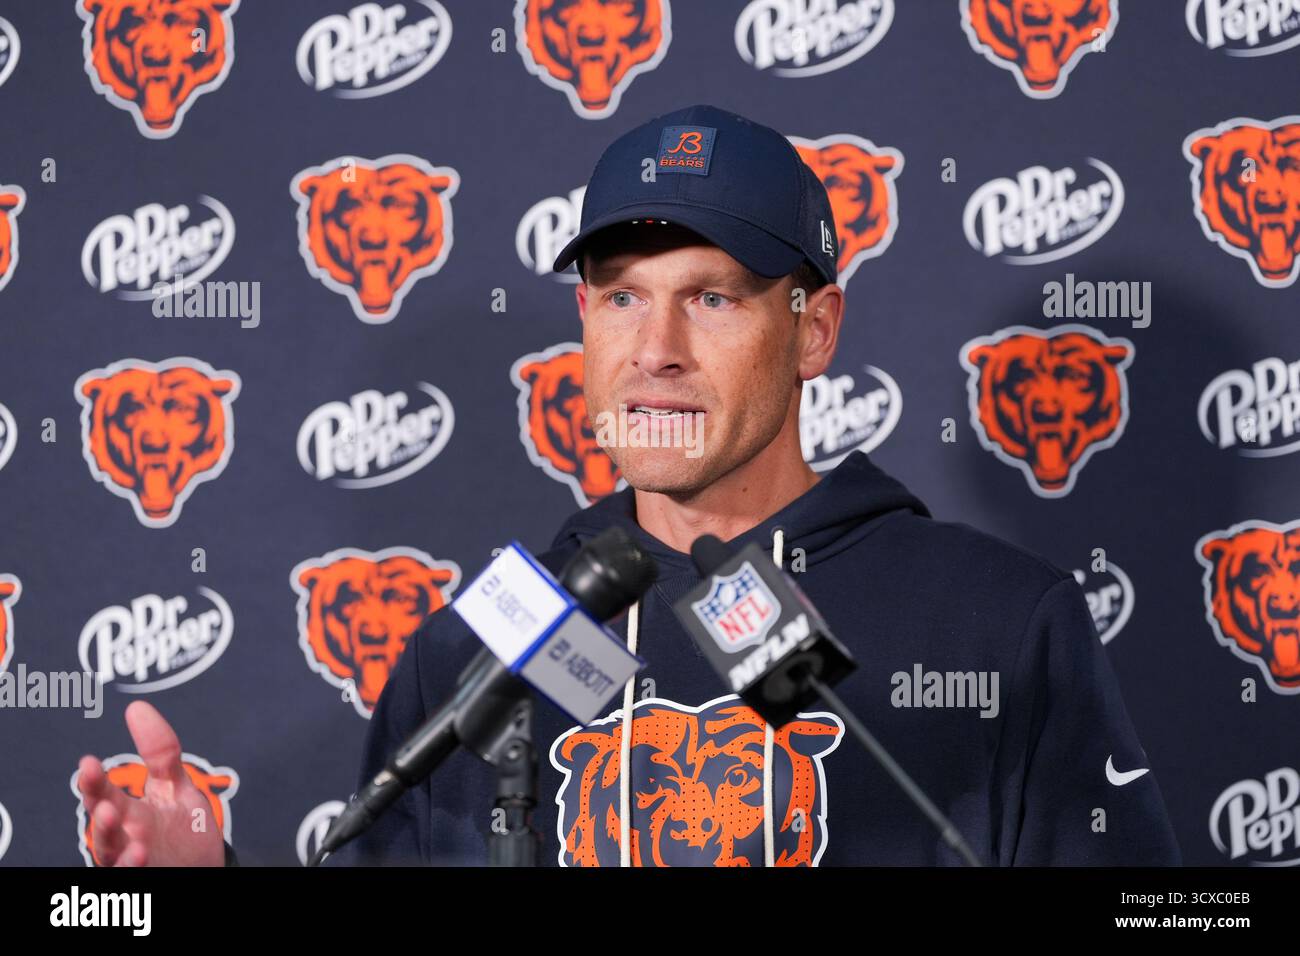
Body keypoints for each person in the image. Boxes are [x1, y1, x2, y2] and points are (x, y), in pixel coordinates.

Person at [77, 104, 1182, 867]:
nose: (654, 347)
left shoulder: (998, 622)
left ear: (815, 331)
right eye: (619, 297)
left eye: (711, 297)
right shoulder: (477, 648)